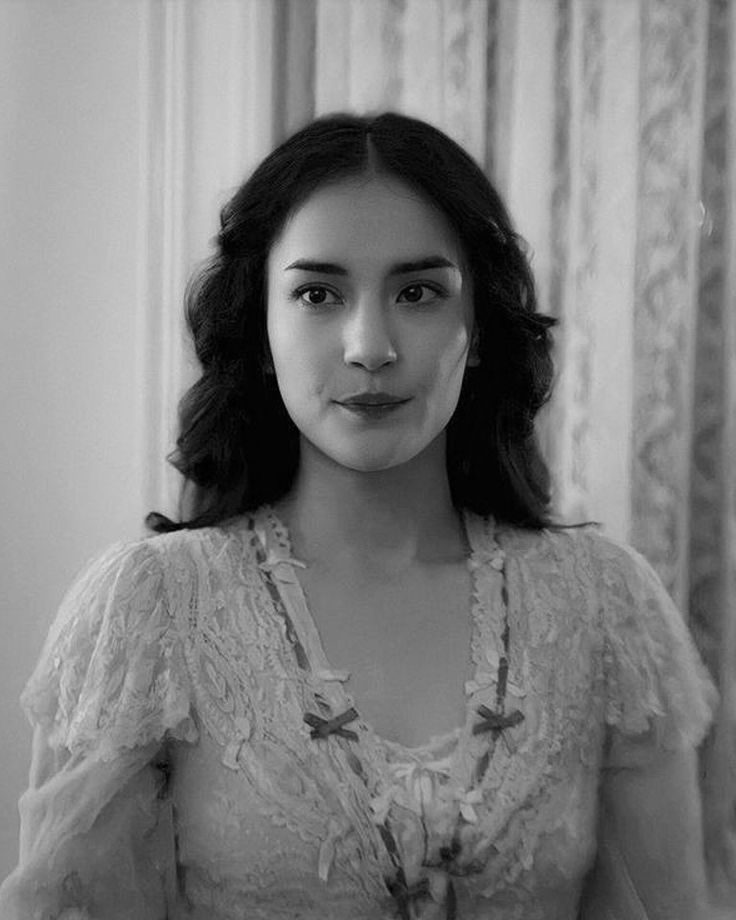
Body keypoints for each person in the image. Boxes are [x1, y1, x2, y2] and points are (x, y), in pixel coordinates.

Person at [0, 111, 721, 920]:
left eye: (418, 293)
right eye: (317, 293)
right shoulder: (149, 610)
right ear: (261, 328)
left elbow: (675, 908)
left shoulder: (605, 606)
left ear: (476, 326)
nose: (369, 344)